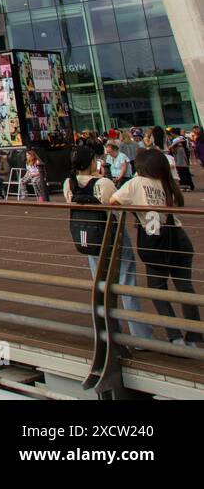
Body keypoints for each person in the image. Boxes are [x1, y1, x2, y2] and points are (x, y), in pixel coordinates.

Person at [110, 149, 202, 347]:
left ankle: (174, 336)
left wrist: (135, 212)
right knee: (184, 287)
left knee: (158, 290)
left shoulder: (135, 183)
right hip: (178, 239)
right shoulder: (167, 182)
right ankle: (194, 335)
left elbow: (114, 201)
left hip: (154, 241)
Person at [64, 144, 154, 343]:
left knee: (100, 283)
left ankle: (109, 330)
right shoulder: (103, 183)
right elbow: (116, 207)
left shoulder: (68, 184)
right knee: (126, 282)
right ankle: (140, 335)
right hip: (112, 235)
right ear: (91, 162)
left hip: (87, 237)